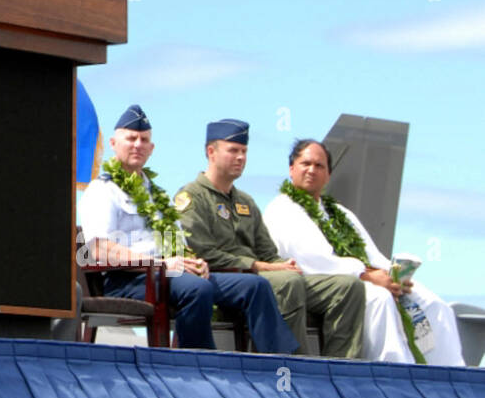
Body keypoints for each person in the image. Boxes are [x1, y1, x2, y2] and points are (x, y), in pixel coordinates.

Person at [78, 105, 298, 352]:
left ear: (152, 149)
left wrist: (193, 261)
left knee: (254, 286)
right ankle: (200, 364)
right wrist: (160, 263)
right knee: (197, 289)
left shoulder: (155, 194)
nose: (137, 144)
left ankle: (280, 363)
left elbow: (173, 242)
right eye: (130, 138)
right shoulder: (102, 191)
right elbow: (99, 250)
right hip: (129, 279)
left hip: (169, 274)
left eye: (144, 140)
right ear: (113, 143)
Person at [263, 139, 464, 365]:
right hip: (317, 283)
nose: (312, 170)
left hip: (361, 275)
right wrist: (368, 277)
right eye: (305, 163)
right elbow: (315, 260)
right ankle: (394, 369)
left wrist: (394, 277)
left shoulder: (339, 212)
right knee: (379, 299)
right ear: (292, 169)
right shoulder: (282, 209)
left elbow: (372, 255)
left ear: (328, 174)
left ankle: (452, 373)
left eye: (319, 166)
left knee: (432, 302)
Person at [176, 119, 364, 358]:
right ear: (211, 152)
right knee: (287, 282)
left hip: (262, 276)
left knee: (348, 287)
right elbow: (202, 252)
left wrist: (282, 264)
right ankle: (294, 367)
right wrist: (260, 266)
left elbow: (267, 251)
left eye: (244, 151)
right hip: (223, 278)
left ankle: (341, 368)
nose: (241, 157)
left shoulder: (246, 201)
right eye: (233, 150)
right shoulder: (191, 197)